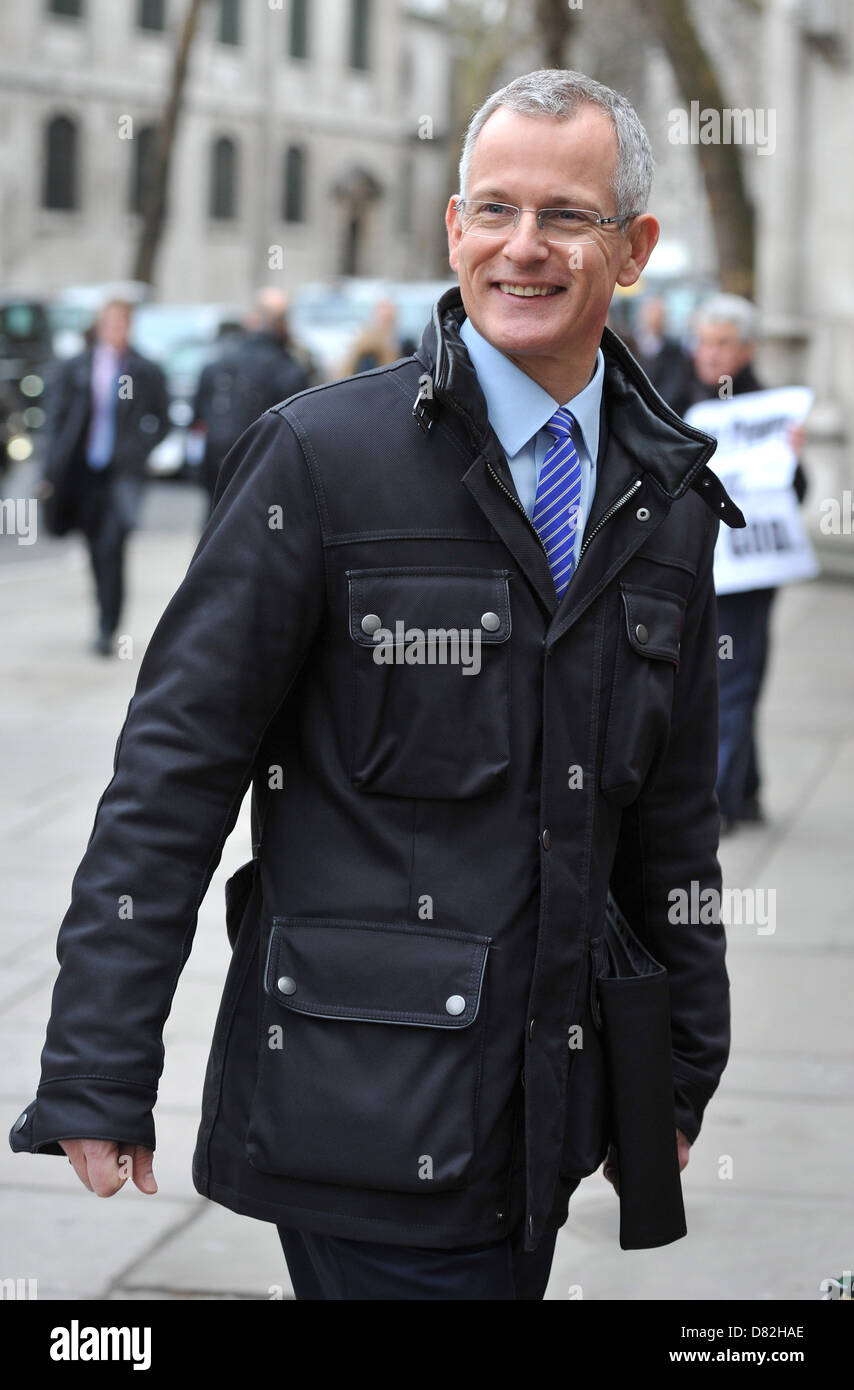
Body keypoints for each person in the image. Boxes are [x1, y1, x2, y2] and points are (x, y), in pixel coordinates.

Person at [9, 69, 744, 1301]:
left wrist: (672, 1071)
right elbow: (172, 769)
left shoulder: (664, 496)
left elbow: (673, 826)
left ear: (632, 250)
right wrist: (98, 1058)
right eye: (493, 209)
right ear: (452, 228)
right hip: (359, 1101)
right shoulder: (318, 459)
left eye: (564, 215)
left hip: (544, 1113)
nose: (523, 247)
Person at [686, 294, 808, 831]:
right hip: (696, 568)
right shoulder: (675, 394)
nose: (709, 354)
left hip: (747, 576)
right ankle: (747, 789)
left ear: (747, 349)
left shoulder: (770, 409)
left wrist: (792, 460)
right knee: (720, 681)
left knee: (731, 682)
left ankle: (719, 803)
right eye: (704, 342)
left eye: (721, 344)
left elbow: (793, 495)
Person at [37, 299, 170, 655]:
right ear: (99, 326)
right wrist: (49, 471)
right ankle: (101, 610)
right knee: (95, 547)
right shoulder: (75, 368)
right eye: (108, 323)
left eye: (121, 323)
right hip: (82, 473)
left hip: (121, 475)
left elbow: (163, 420)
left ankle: (107, 629)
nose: (115, 330)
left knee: (113, 547)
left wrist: (139, 450)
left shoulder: (145, 370)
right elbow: (56, 422)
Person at [191, 288, 310, 517]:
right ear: (284, 325)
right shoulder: (290, 371)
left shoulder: (217, 364)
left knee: (215, 529)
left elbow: (198, 422)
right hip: (265, 473)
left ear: (253, 319)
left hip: (218, 467)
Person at [634, 295, 694, 415]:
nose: (654, 319)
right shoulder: (631, 344)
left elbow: (675, 384)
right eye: (650, 313)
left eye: (659, 315)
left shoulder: (674, 350)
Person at [338, 297, 402, 376]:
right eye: (384, 318)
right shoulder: (368, 341)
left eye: (389, 317)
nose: (387, 320)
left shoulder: (397, 340)